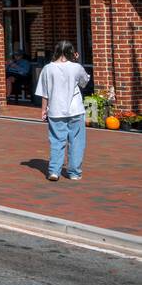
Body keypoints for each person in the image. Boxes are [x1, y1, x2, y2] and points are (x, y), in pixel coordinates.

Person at [36, 41, 90, 181]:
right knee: (76, 141)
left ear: (56, 51)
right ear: (72, 52)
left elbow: (44, 92)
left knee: (57, 141)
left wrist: (43, 110)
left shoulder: (48, 68)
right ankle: (74, 172)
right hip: (75, 110)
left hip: (55, 109)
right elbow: (84, 82)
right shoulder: (76, 67)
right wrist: (76, 61)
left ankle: (54, 171)